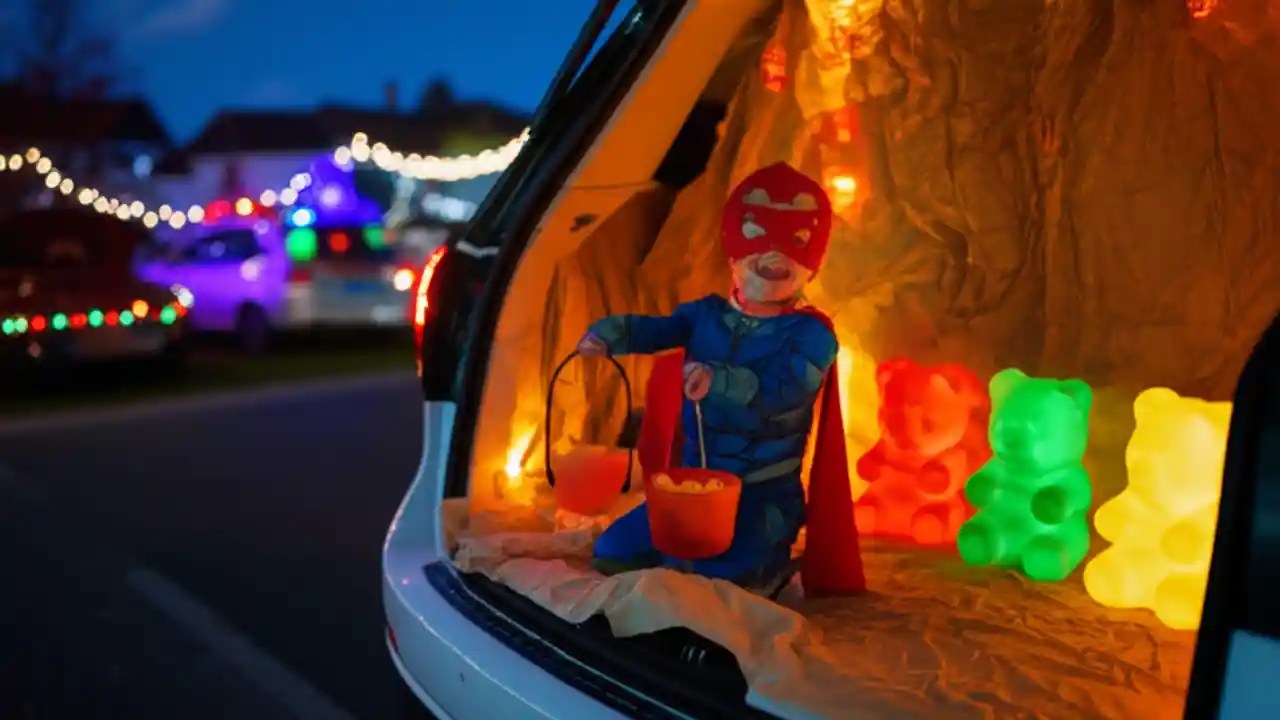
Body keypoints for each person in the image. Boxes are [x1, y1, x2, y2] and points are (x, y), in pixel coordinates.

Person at [577, 162, 866, 597]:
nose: (773, 256)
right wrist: (609, 334)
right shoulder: (705, 316)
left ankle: (766, 560)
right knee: (613, 552)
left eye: (793, 243)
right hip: (693, 490)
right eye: (758, 238)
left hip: (761, 494)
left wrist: (721, 380)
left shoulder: (812, 334)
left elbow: (785, 389)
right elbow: (657, 329)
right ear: (732, 252)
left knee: (718, 581)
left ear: (812, 263)